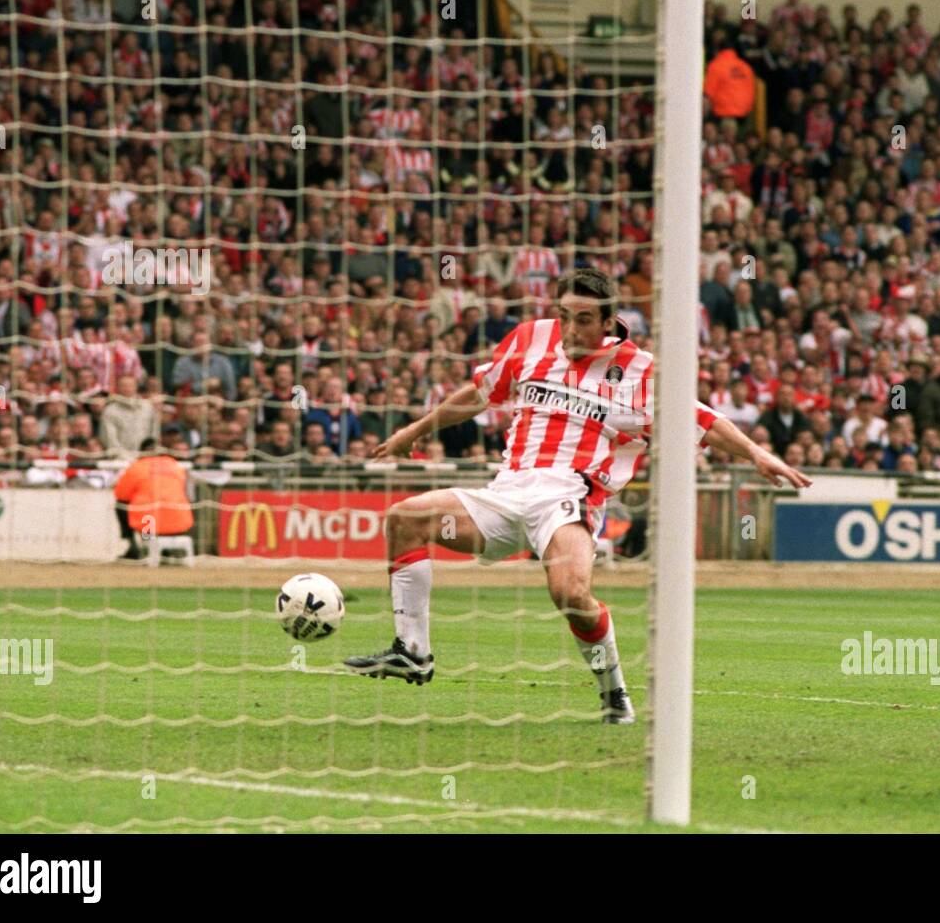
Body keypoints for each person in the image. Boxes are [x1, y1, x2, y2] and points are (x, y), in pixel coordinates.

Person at [344, 269, 812, 722]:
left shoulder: (638, 371)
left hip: (569, 497)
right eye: (565, 315)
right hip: (507, 492)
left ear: (609, 322)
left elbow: (705, 420)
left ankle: (614, 692)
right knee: (404, 519)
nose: (570, 328)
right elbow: (480, 393)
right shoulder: (530, 340)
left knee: (569, 592)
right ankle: (413, 651)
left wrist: (757, 455)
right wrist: (414, 430)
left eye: (584, 318)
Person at [112, 426, 195, 560]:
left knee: (121, 505)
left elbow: (120, 495)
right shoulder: (174, 465)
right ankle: (166, 550)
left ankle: (135, 545)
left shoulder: (137, 467)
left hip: (148, 526)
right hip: (179, 523)